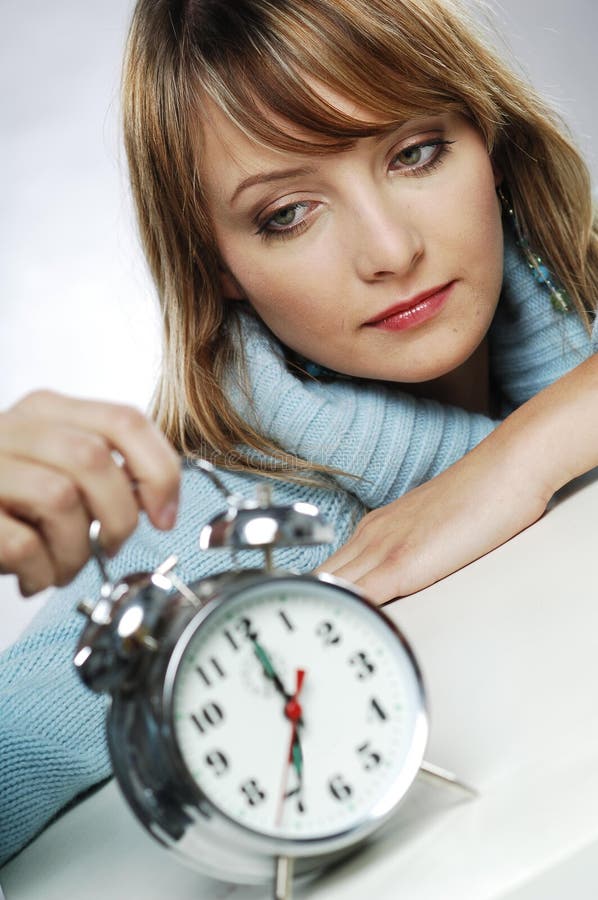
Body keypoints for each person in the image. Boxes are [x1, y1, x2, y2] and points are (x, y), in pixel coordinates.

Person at [1, 0, 597, 867]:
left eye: (414, 153)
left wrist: (516, 460)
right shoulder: (210, 542)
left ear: (489, 144)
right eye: (288, 212)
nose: (390, 250)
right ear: (216, 264)